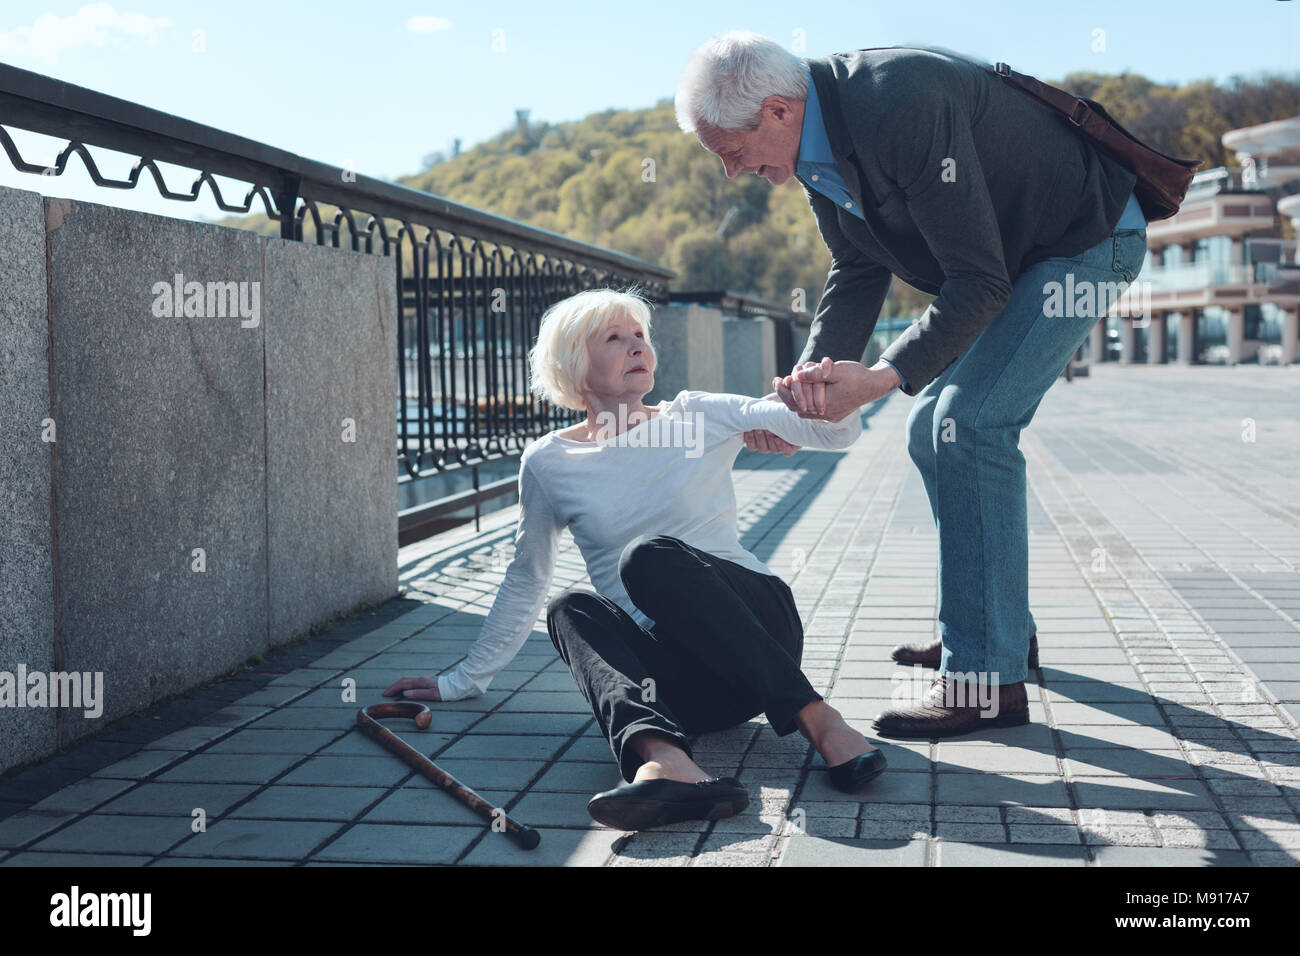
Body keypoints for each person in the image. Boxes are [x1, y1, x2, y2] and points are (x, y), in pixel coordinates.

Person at [675, 31, 1148, 737]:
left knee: (967, 425)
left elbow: (979, 281)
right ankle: (996, 630)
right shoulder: (813, 139)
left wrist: (877, 381)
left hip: (1083, 241)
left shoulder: (900, 104)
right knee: (937, 430)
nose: (731, 173)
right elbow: (857, 268)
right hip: (1019, 257)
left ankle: (987, 678)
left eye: (731, 152)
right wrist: (803, 391)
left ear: (776, 111)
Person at [384, 288, 887, 830]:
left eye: (641, 335)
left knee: (646, 558)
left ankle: (820, 719)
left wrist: (823, 395)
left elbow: (832, 432)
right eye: (615, 338)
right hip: (690, 691)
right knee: (568, 605)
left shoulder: (696, 414)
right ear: (575, 365)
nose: (636, 347)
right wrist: (463, 679)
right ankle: (665, 761)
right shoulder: (551, 461)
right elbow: (526, 575)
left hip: (761, 632)